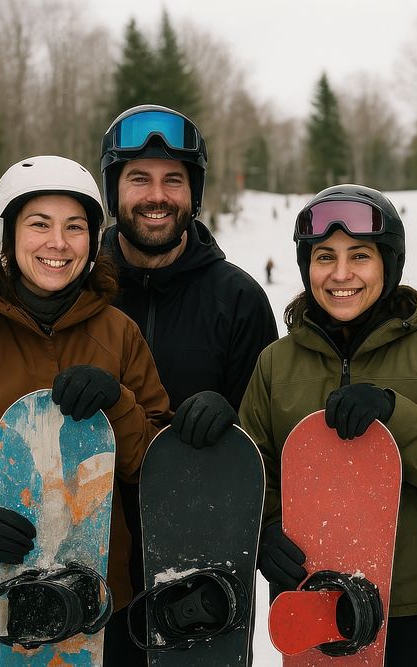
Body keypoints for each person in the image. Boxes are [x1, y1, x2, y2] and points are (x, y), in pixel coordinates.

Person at [0, 155, 171, 665]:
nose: (58, 243)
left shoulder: (118, 333)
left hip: (93, 603)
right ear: (5, 236)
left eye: (75, 227)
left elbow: (156, 466)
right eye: (39, 225)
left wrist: (116, 402)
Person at [240, 184, 417, 666]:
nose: (340, 275)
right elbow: (253, 468)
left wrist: (394, 412)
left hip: (414, 606)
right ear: (307, 268)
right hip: (314, 599)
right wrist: (263, 531)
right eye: (324, 257)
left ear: (389, 265)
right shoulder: (275, 365)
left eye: (360, 256)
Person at [98, 103, 278, 641]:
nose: (157, 196)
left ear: (193, 194)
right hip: (90, 548)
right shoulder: (80, 289)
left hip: (199, 565)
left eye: (173, 180)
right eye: (139, 179)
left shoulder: (238, 297)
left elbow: (266, 440)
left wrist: (235, 423)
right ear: (114, 193)